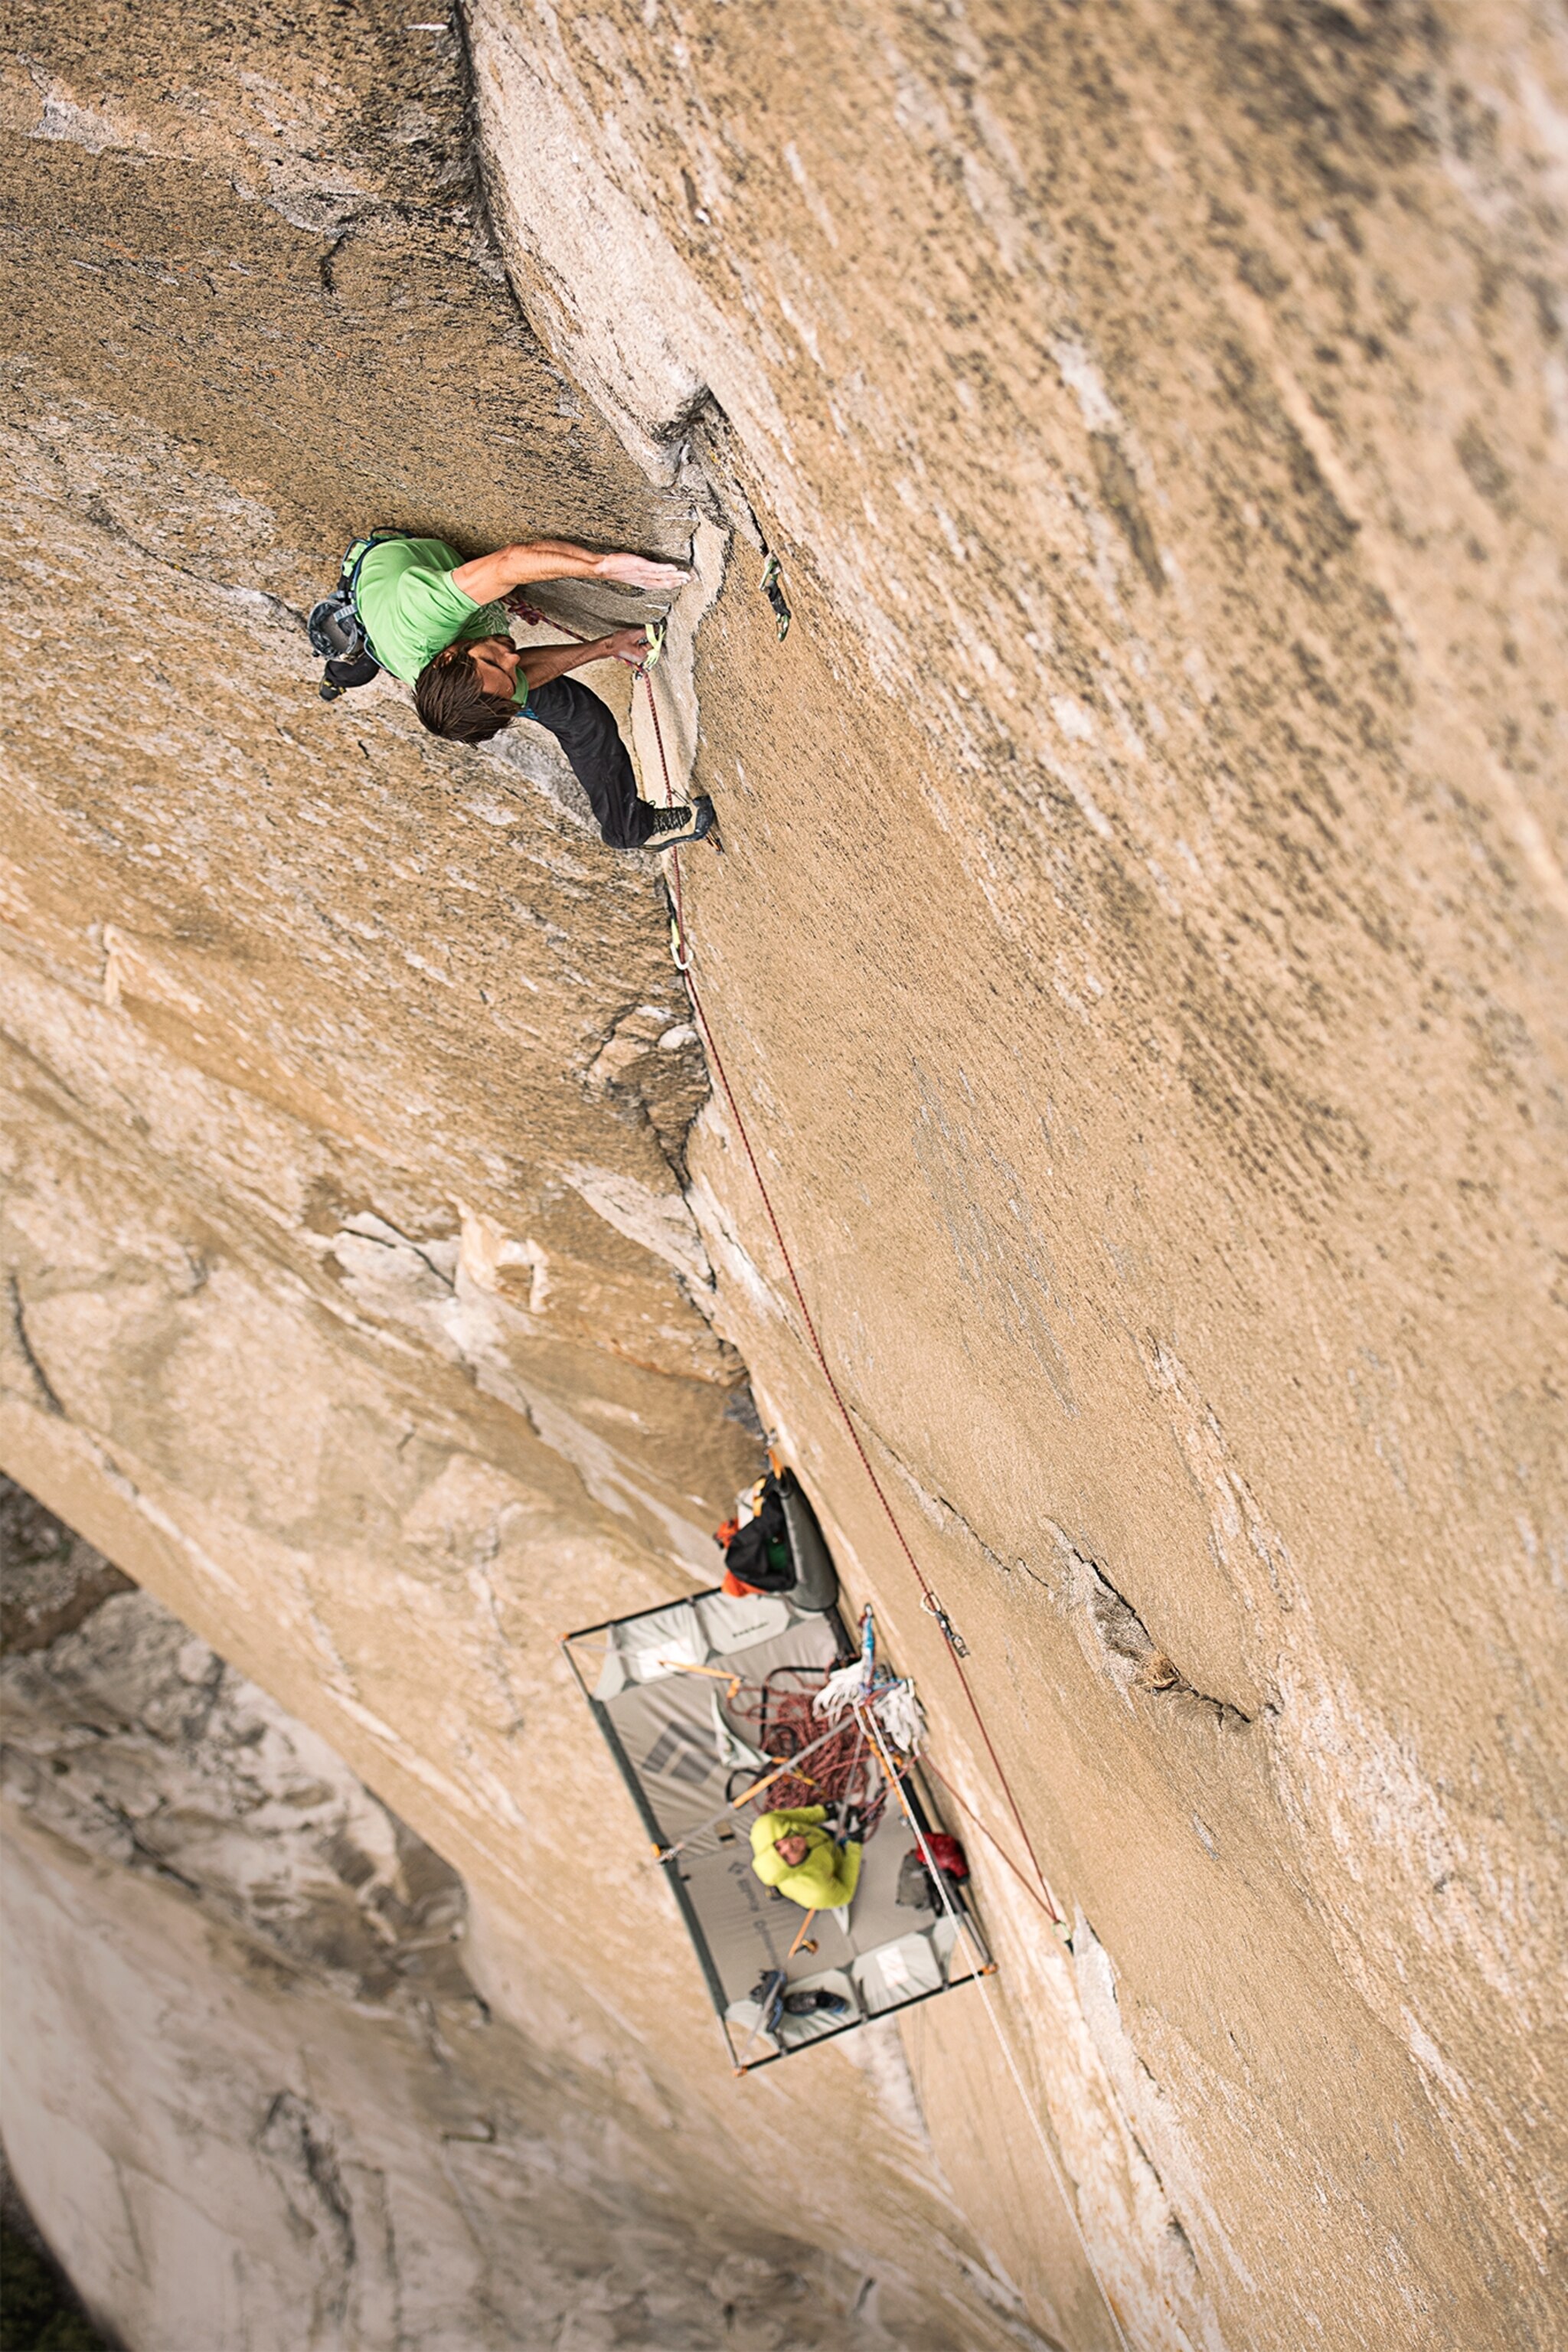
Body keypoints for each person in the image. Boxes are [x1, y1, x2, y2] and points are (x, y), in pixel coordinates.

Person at [351, 532, 714, 850]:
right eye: (508, 676)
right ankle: (631, 830)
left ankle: (348, 662)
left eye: (493, 662)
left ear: (447, 657)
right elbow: (513, 671)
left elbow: (508, 563)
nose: (512, 657)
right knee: (583, 717)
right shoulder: (473, 684)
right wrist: (607, 646)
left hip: (386, 584)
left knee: (577, 713)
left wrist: (602, 567)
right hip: (391, 622)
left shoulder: (424, 614)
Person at [750, 1805, 862, 1912]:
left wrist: (824, 1813)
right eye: (786, 1857)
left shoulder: (766, 1825)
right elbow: (846, 1894)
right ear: (794, 1868)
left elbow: (797, 1816)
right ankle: (780, 1891)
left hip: (818, 1835)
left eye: (778, 1847)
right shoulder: (816, 1891)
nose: (787, 1847)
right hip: (835, 1859)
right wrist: (854, 1845)